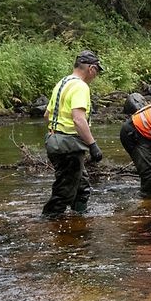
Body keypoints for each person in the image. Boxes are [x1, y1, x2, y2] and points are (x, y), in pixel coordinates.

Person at [42, 50, 104, 218]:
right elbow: (78, 119)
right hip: (68, 146)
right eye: (97, 71)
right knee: (64, 193)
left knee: (81, 187)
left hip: (54, 141)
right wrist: (93, 145)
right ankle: (49, 224)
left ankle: (79, 220)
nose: (96, 76)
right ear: (91, 68)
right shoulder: (81, 87)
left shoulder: (63, 83)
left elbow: (47, 115)